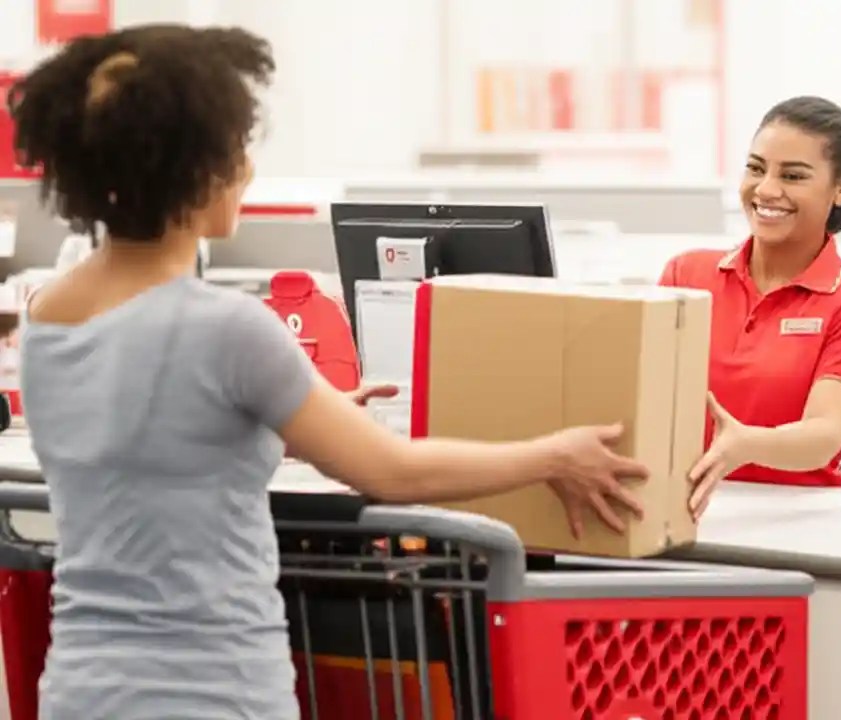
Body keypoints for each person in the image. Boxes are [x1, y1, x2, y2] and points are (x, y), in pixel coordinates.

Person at [8, 25, 647, 719]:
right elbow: (393, 474)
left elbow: (148, 446)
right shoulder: (228, 329)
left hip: (81, 690)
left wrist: (299, 414)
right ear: (190, 168)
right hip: (212, 691)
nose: (248, 170)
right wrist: (553, 456)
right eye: (237, 148)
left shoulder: (47, 317)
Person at [659, 95, 841, 516]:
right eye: (756, 168)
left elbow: (825, 434)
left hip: (797, 521)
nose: (766, 190)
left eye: (793, 176)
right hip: (685, 510)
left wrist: (745, 445)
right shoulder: (685, 275)